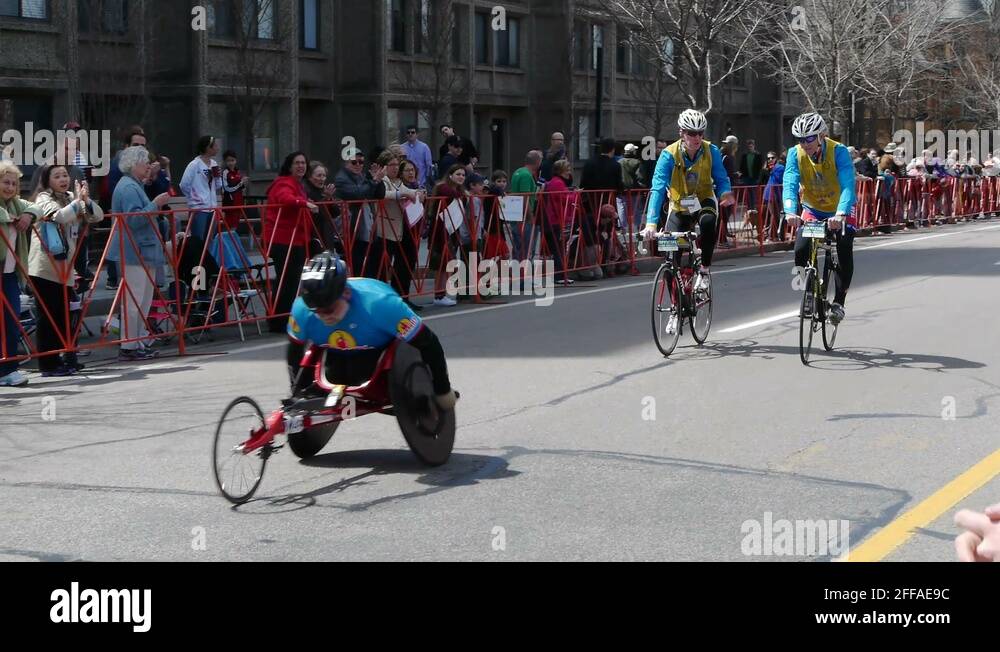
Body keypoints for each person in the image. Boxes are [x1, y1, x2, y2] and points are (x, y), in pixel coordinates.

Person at [286, 252, 456, 411]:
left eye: (329, 308)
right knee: (336, 372)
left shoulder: (382, 306)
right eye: (316, 310)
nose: (323, 316)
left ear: (346, 293)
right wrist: (300, 394)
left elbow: (429, 343)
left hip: (377, 355)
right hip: (335, 356)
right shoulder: (302, 309)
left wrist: (442, 390)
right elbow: (294, 353)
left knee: (357, 370)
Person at [641, 109, 736, 293]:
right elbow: (658, 188)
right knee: (670, 259)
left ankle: (704, 270)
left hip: (703, 200)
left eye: (700, 133)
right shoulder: (668, 154)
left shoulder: (711, 150)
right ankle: (676, 310)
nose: (697, 138)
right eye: (692, 133)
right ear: (681, 133)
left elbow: (722, 178)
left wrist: (725, 193)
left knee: (708, 222)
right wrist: (651, 224)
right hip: (678, 206)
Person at [782, 112, 857, 326]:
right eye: (800, 139)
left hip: (840, 208)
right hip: (813, 208)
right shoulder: (795, 154)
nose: (804, 144)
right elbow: (789, 183)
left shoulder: (838, 151)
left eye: (809, 139)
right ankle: (809, 290)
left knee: (844, 245)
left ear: (821, 136)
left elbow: (847, 185)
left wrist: (841, 213)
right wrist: (789, 211)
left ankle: (839, 302)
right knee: (800, 248)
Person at [28, 165, 103, 376]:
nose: (63, 179)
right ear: (47, 180)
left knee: (66, 315)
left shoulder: (72, 196)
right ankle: (48, 364)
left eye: (65, 175)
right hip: (45, 267)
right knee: (48, 316)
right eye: (57, 176)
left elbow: (97, 216)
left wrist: (86, 201)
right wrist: (78, 202)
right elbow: (59, 216)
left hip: (66, 268)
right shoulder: (43, 198)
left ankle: (67, 357)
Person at [107, 146, 172, 361]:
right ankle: (130, 345)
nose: (148, 166)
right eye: (144, 162)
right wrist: (156, 204)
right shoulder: (128, 188)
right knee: (135, 300)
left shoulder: (133, 185)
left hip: (141, 250)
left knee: (142, 300)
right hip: (135, 251)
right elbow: (133, 219)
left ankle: (137, 342)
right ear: (133, 164)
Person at [263, 152, 320, 333]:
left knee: (292, 281)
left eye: (303, 163)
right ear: (290, 166)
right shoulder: (283, 182)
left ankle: (285, 317)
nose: (301, 166)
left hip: (296, 239)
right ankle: (279, 320)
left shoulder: (298, 184)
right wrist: (304, 203)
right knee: (287, 281)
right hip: (283, 239)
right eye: (297, 163)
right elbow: (285, 198)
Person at [0, 161, 44, 387]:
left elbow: (37, 207)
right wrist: (9, 218)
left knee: (11, 319)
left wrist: (27, 214)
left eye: (13, 184)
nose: (9, 187)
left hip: (8, 272)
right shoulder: (6, 207)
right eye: (5, 182)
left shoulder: (16, 204)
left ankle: (8, 369)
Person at [179, 135, 224, 242]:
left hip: (212, 208)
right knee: (198, 240)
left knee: (210, 240)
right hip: (199, 209)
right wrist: (195, 198)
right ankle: (198, 259)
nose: (218, 148)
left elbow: (218, 185)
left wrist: (217, 177)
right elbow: (184, 184)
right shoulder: (194, 165)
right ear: (208, 148)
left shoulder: (214, 163)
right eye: (215, 146)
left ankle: (207, 259)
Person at [401, 126, 434, 190]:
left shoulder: (424, 147)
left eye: (413, 132)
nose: (410, 134)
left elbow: (428, 166)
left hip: (421, 184)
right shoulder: (402, 148)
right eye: (408, 133)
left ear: (417, 134)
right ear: (406, 135)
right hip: (405, 184)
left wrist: (426, 182)